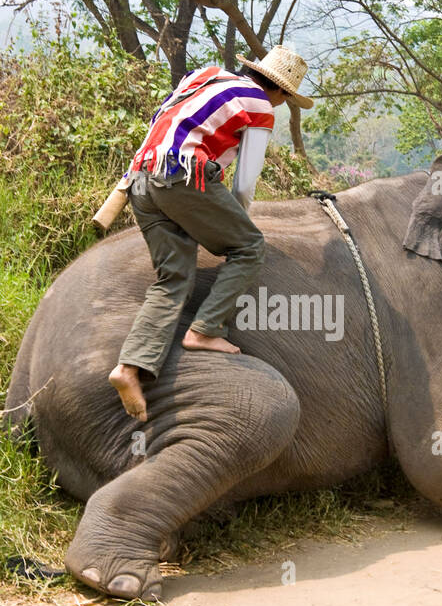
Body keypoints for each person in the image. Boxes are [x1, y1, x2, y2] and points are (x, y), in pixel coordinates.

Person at [108, 45, 315, 421]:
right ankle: (204, 331)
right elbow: (245, 182)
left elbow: (160, 119)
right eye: (286, 98)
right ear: (281, 93)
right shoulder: (261, 106)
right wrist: (237, 223)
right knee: (249, 247)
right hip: (182, 176)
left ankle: (129, 368)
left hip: (139, 179)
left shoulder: (204, 76)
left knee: (174, 277)